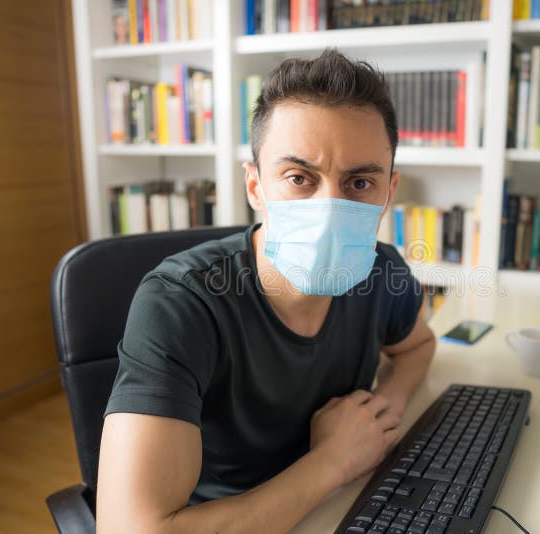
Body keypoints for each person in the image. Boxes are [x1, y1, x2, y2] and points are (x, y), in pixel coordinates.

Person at [96, 48, 437, 533]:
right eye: (299, 178)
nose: (329, 208)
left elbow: (419, 346)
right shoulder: (180, 304)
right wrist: (334, 461)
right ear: (255, 187)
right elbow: (132, 530)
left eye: (360, 183)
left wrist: (385, 409)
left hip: (339, 509)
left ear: (388, 193)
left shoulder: (383, 272)